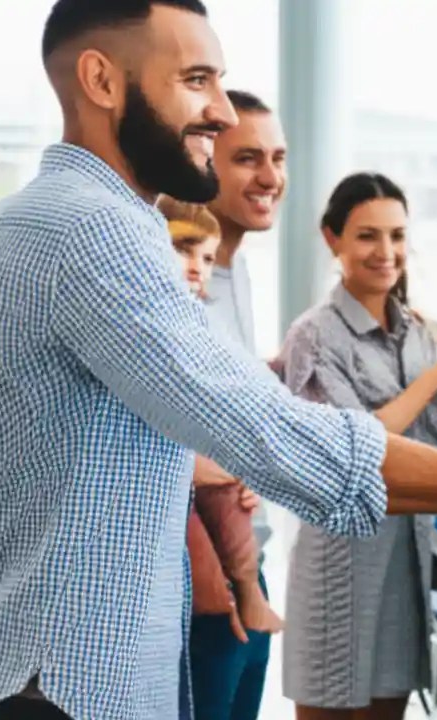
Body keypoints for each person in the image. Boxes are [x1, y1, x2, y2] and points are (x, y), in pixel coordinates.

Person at [0, 2, 437, 719]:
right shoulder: (99, 232)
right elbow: (286, 440)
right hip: (69, 699)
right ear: (101, 80)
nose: (220, 112)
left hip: (7, 687)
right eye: (196, 79)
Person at [278, 172, 437, 720]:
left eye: (397, 236)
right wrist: (436, 378)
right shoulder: (314, 335)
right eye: (368, 235)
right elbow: (354, 445)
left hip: (407, 559)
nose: (386, 252)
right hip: (342, 564)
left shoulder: (416, 330)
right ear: (333, 239)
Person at [187, 88, 287, 720]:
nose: (270, 176)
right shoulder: (178, 278)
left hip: (249, 555)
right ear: (203, 161)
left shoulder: (233, 270)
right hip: (203, 575)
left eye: (278, 156)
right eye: (248, 158)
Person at [159, 195, 283, 647]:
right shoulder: (145, 326)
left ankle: (245, 594)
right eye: (182, 250)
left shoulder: (201, 321)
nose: (196, 267)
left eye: (207, 257)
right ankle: (238, 599)